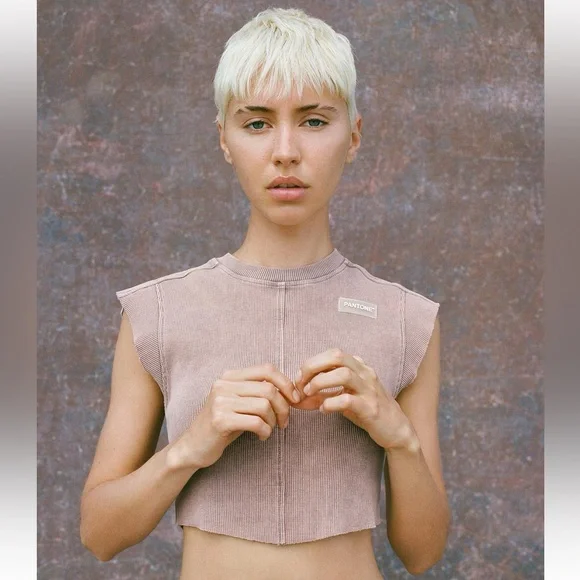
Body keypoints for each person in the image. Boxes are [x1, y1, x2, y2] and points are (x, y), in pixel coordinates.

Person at [80, 7, 450, 579]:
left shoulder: (407, 319)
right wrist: (190, 447)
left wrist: (399, 437)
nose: (285, 151)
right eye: (256, 124)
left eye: (314, 120)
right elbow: (99, 535)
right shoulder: (157, 312)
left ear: (353, 136)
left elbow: (422, 554)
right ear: (224, 139)